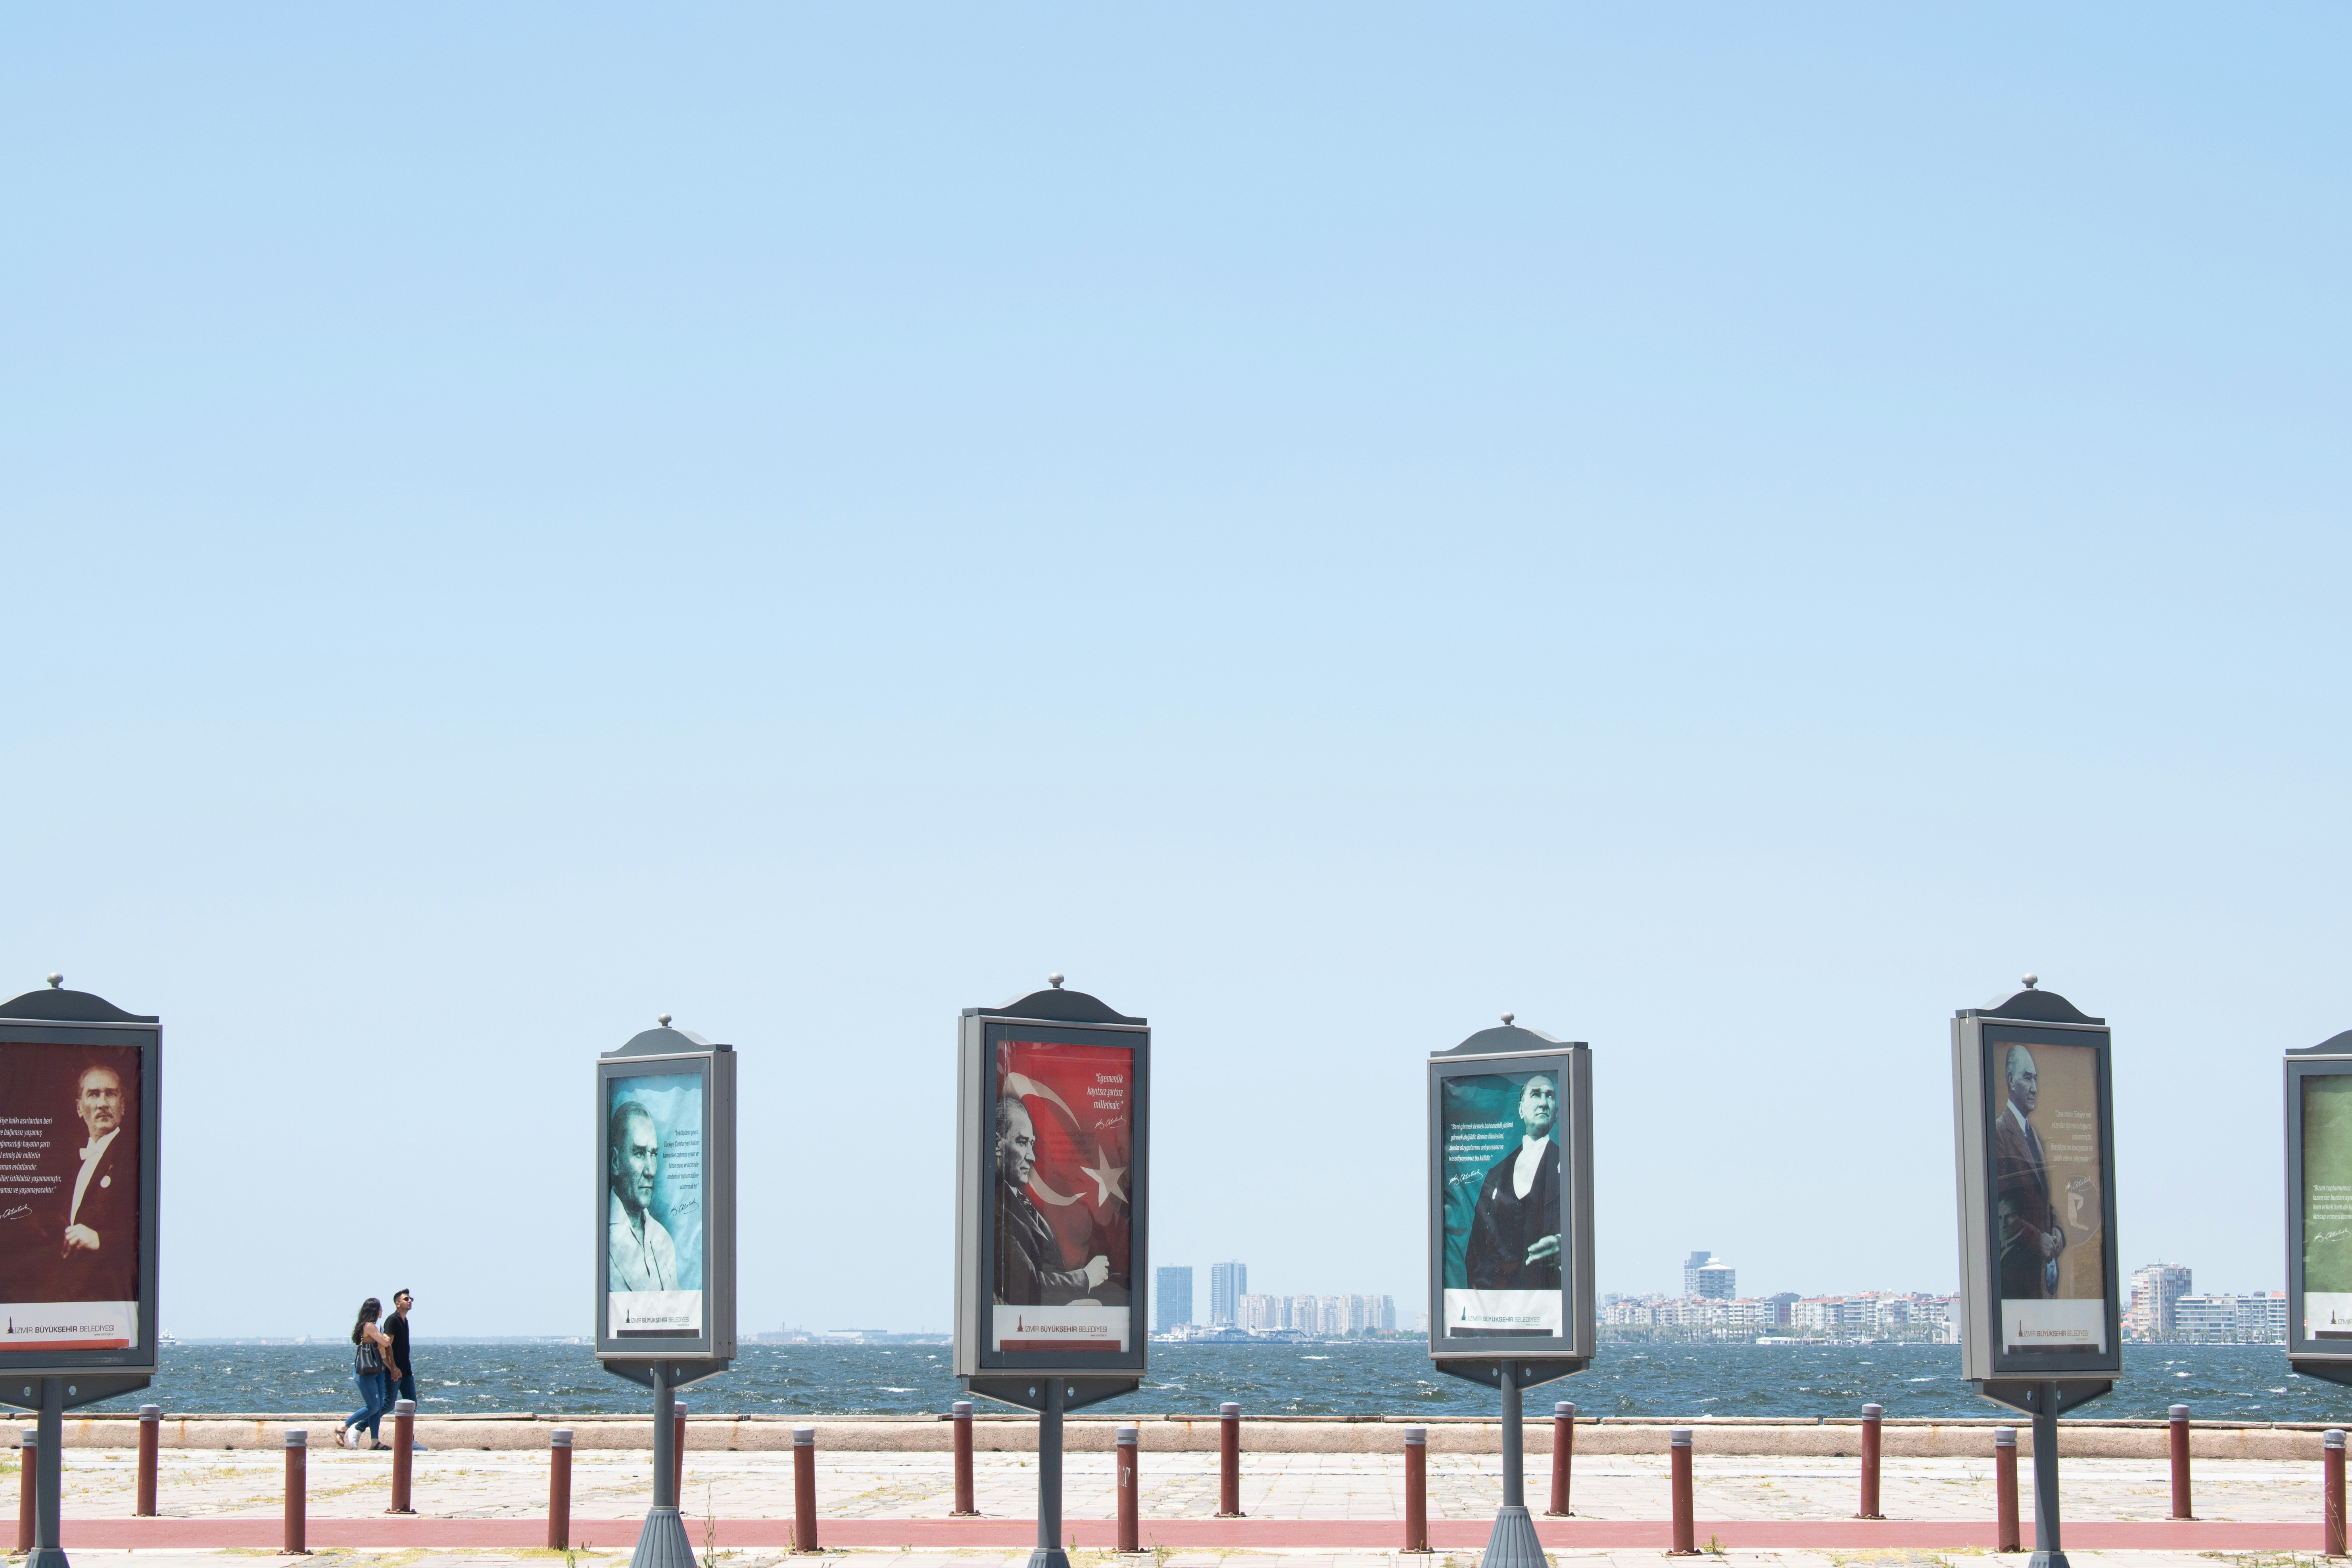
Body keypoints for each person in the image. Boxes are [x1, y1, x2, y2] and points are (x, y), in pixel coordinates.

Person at [991, 1097, 1108, 1305]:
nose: (1032, 1157)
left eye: (1032, 1144)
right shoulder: (994, 1208)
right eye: (1022, 1142)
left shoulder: (1014, 1201)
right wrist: (1087, 1277)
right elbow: (1030, 1286)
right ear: (997, 1145)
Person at [1464, 1075, 1563, 1291]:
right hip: (1500, 1307)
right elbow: (1476, 1246)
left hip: (1547, 1303)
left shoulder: (1569, 1164)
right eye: (1535, 1095)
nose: (1543, 1103)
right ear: (1521, 1109)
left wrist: (1563, 1246)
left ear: (1556, 1112)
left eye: (1550, 1096)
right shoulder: (1496, 1173)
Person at [58, 1062, 137, 1303]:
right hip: (73, 1297)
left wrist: (99, 1239)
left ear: (122, 1105)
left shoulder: (133, 1156)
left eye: (110, 1094)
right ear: (80, 1108)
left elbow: (147, 1233)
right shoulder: (73, 1166)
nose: (103, 1103)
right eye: (93, 1094)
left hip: (110, 1303)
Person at [1994, 1044, 2065, 1300]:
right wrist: (2039, 1240)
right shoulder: (1999, 1134)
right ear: (2011, 1081)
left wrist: (2057, 1232)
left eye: (2035, 1078)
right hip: (2018, 1287)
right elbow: (2002, 1215)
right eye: (2027, 1078)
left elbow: (2043, 1199)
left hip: (2042, 1287)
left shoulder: (2033, 1136)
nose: (2035, 1087)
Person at [608, 1102, 676, 1291]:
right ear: (616, 1162)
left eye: (654, 1154)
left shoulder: (664, 1240)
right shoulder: (600, 1239)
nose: (651, 1171)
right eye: (639, 1154)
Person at [339, 1297, 396, 1450]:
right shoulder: (369, 1326)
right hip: (365, 1371)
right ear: (374, 1310)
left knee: (378, 1406)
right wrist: (384, 1337)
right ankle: (344, 1427)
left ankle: (375, 1441)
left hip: (377, 1369)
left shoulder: (375, 1327)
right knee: (372, 1407)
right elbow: (386, 1343)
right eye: (380, 1308)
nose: (382, 1311)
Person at [383, 1289, 426, 1451]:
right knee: (388, 1405)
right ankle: (359, 1427)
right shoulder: (392, 1321)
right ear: (398, 1303)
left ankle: (410, 1440)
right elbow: (387, 1348)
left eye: (411, 1299)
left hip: (406, 1371)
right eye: (406, 1299)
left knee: (412, 1404)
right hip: (394, 1372)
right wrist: (393, 1368)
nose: (410, 1301)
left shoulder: (405, 1321)